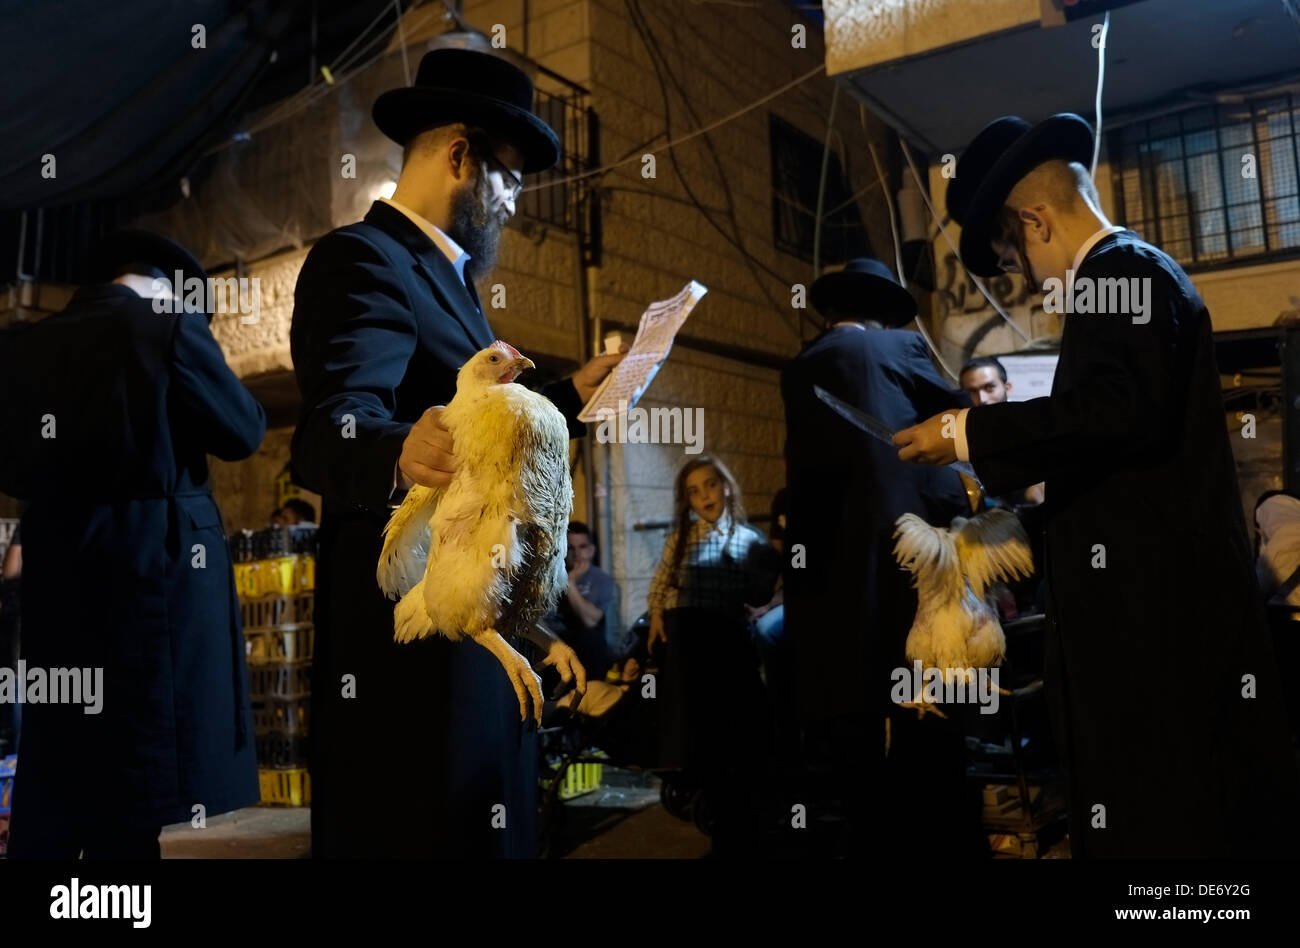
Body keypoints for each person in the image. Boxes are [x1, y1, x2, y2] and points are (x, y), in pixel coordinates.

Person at [894, 112, 1300, 857]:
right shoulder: (1130, 279)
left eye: (1016, 261)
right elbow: (1116, 466)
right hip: (1153, 637)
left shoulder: (1121, 276)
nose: (1030, 284)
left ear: (1034, 220)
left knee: (1172, 836)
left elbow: (1115, 413)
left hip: (1157, 645)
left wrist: (964, 432)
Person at [289, 47, 625, 858]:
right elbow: (333, 424)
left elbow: (488, 433)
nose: (513, 200)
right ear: (460, 156)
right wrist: (399, 451)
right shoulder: (366, 260)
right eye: (508, 175)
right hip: (413, 676)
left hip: (471, 645)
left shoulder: (457, 288)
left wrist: (577, 397)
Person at [0, 230, 265, 859]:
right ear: (168, 289)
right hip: (153, 577)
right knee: (136, 780)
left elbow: (9, 467)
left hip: (61, 575)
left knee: (64, 764)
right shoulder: (164, 327)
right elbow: (243, 430)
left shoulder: (24, 346)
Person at [780, 257, 980, 856]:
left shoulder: (799, 369)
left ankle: (867, 832)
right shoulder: (902, 348)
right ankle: (938, 830)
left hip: (828, 566)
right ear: (881, 313)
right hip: (909, 555)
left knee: (852, 705)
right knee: (928, 694)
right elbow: (957, 424)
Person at [646, 455, 779, 854]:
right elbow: (662, 580)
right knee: (702, 735)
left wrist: (766, 584)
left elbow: (758, 593)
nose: (704, 495)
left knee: (736, 732)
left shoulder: (750, 538)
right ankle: (721, 820)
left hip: (726, 636)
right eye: (693, 491)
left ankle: (744, 826)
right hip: (688, 636)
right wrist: (656, 614)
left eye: (709, 485)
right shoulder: (682, 538)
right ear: (686, 501)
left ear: (726, 487)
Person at [544, 522, 616, 680]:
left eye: (582, 547)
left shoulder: (601, 579)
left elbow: (590, 621)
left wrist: (571, 585)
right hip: (553, 643)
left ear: (591, 550)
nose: (576, 553)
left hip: (584, 646)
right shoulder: (549, 576)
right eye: (570, 547)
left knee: (592, 638)